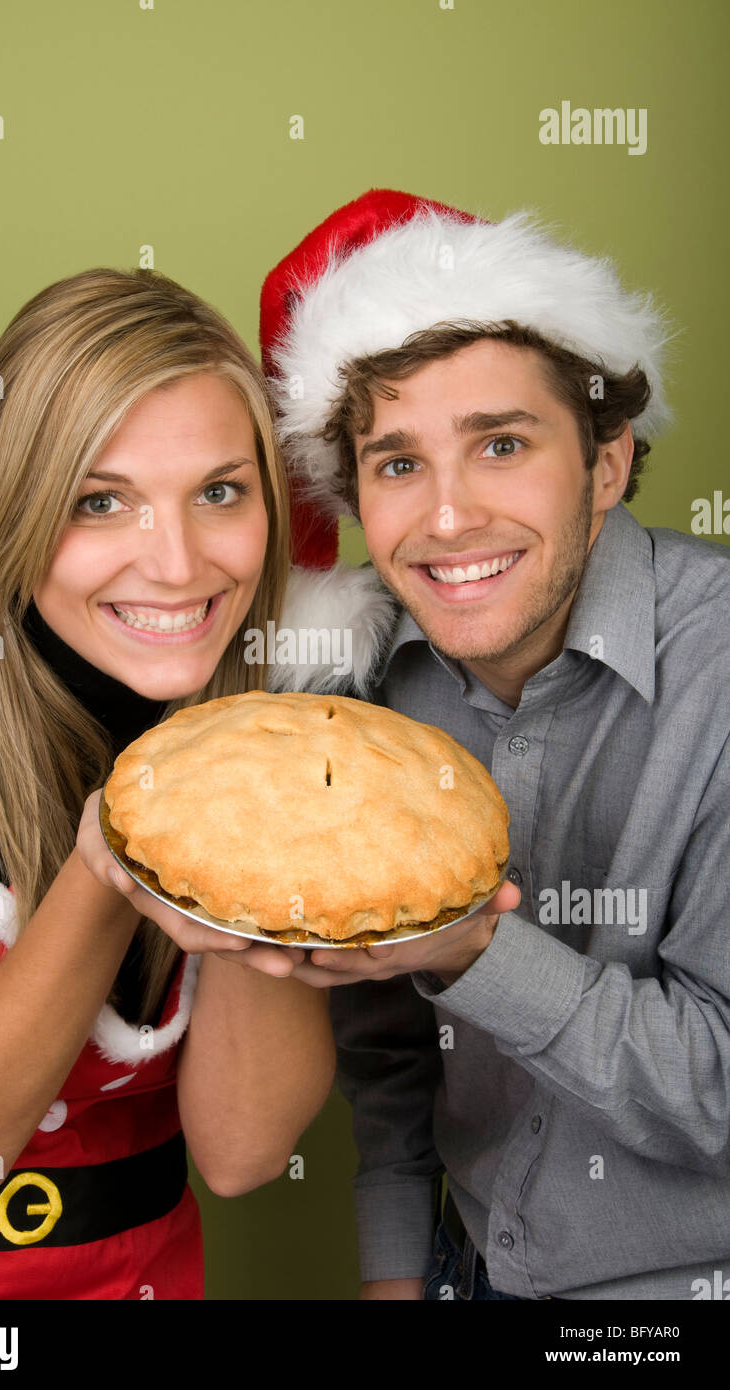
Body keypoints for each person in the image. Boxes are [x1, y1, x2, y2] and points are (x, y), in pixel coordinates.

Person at [0, 264, 386, 1300]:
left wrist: (251, 821)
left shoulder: (269, 690)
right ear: (15, 503)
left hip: (144, 1273)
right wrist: (115, 861)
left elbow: (240, 1154)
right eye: (101, 502)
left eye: (219, 493)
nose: (177, 563)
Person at [253, 189, 730, 1301]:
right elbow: (386, 1049)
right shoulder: (365, 692)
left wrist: (470, 949)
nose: (449, 518)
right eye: (398, 463)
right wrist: (390, 1271)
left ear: (604, 463)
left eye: (500, 444)